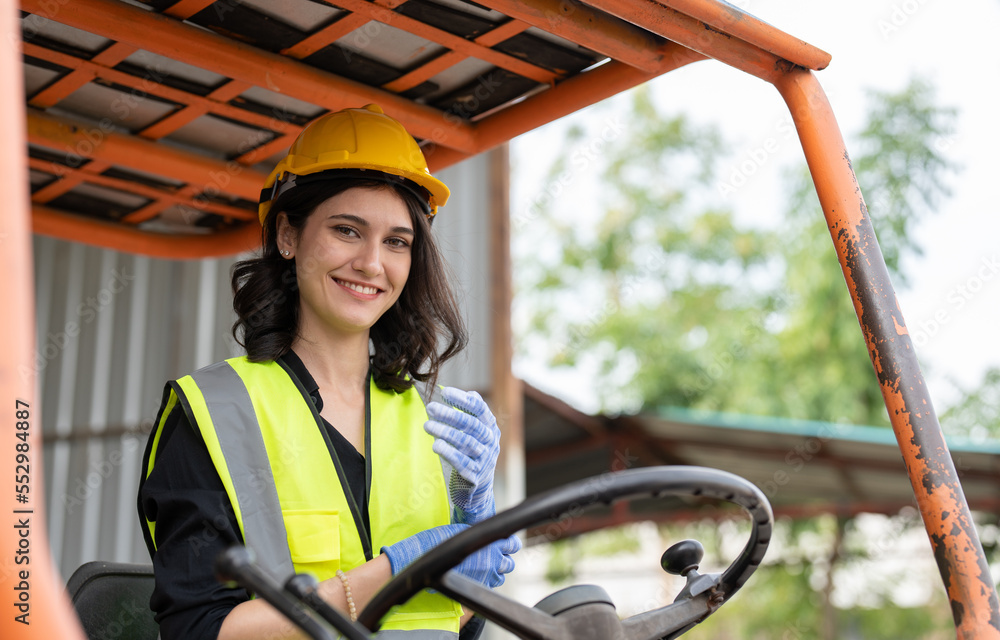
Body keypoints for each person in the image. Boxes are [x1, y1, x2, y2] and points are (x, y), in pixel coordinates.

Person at [137, 103, 520, 640]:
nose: (371, 263)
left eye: (396, 242)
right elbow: (199, 630)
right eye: (347, 230)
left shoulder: (428, 423)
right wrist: (395, 571)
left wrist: (472, 543)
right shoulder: (215, 413)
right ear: (289, 236)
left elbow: (447, 626)